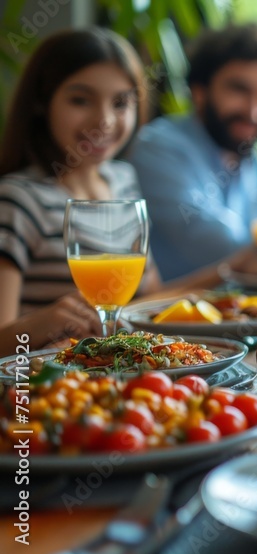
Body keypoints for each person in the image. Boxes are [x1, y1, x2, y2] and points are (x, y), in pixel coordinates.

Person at [0, 28, 152, 355]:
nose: (105, 121)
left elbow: (150, 301)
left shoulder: (124, 181)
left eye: (121, 102)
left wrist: (230, 269)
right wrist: (39, 325)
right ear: (41, 102)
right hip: (42, 390)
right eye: (80, 100)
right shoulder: (19, 200)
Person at [128, 24, 257, 281]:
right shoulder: (158, 148)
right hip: (172, 316)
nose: (255, 111)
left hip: (249, 312)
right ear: (199, 92)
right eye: (239, 90)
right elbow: (215, 242)